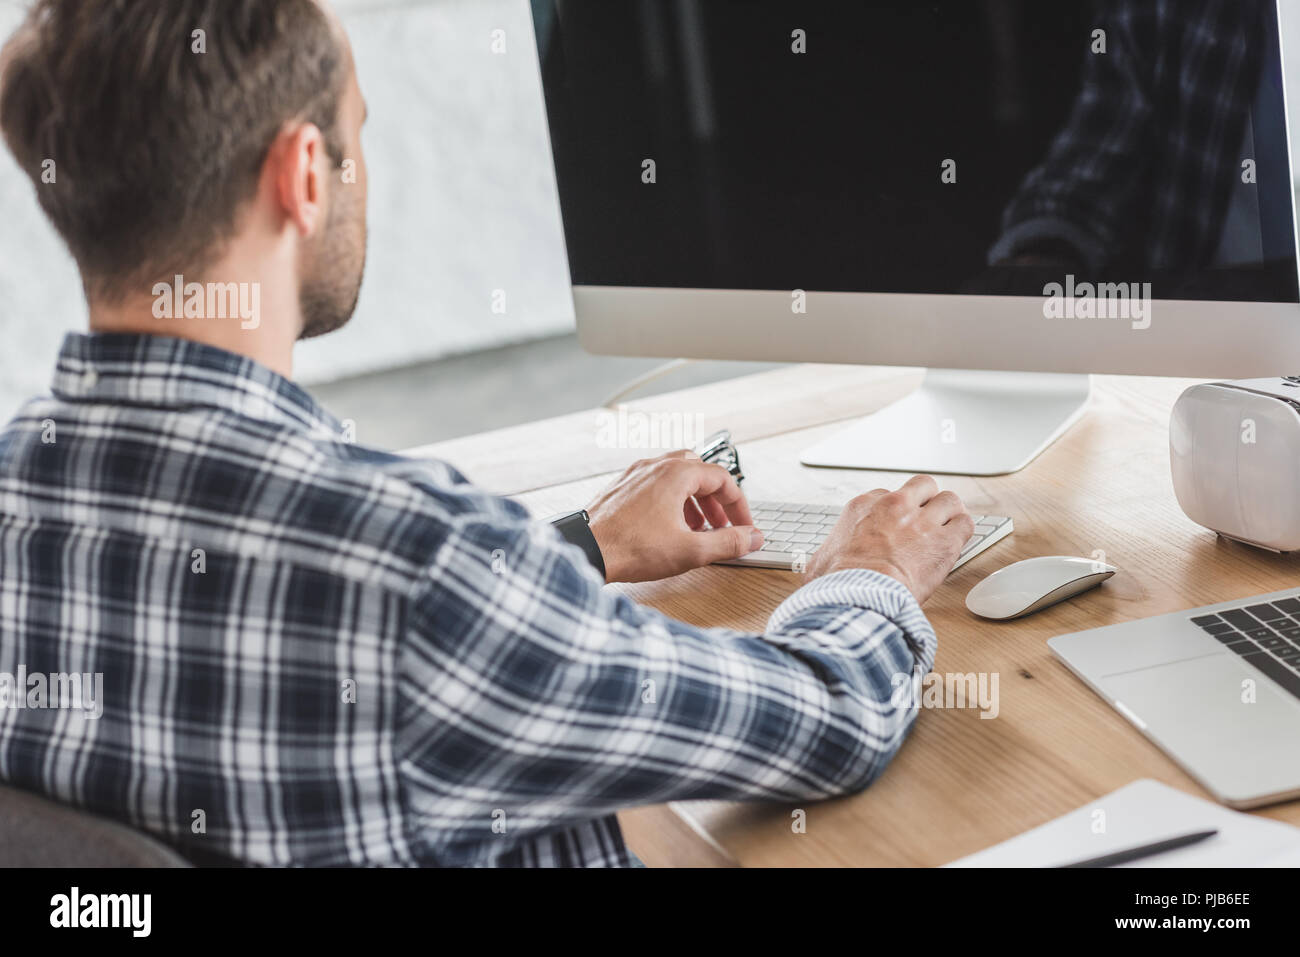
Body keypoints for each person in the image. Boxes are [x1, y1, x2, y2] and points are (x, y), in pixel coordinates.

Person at [0, 0, 972, 866]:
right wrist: (869, 572)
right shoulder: (413, 565)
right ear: (301, 173)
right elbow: (826, 726)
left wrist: (571, 553)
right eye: (354, 137)